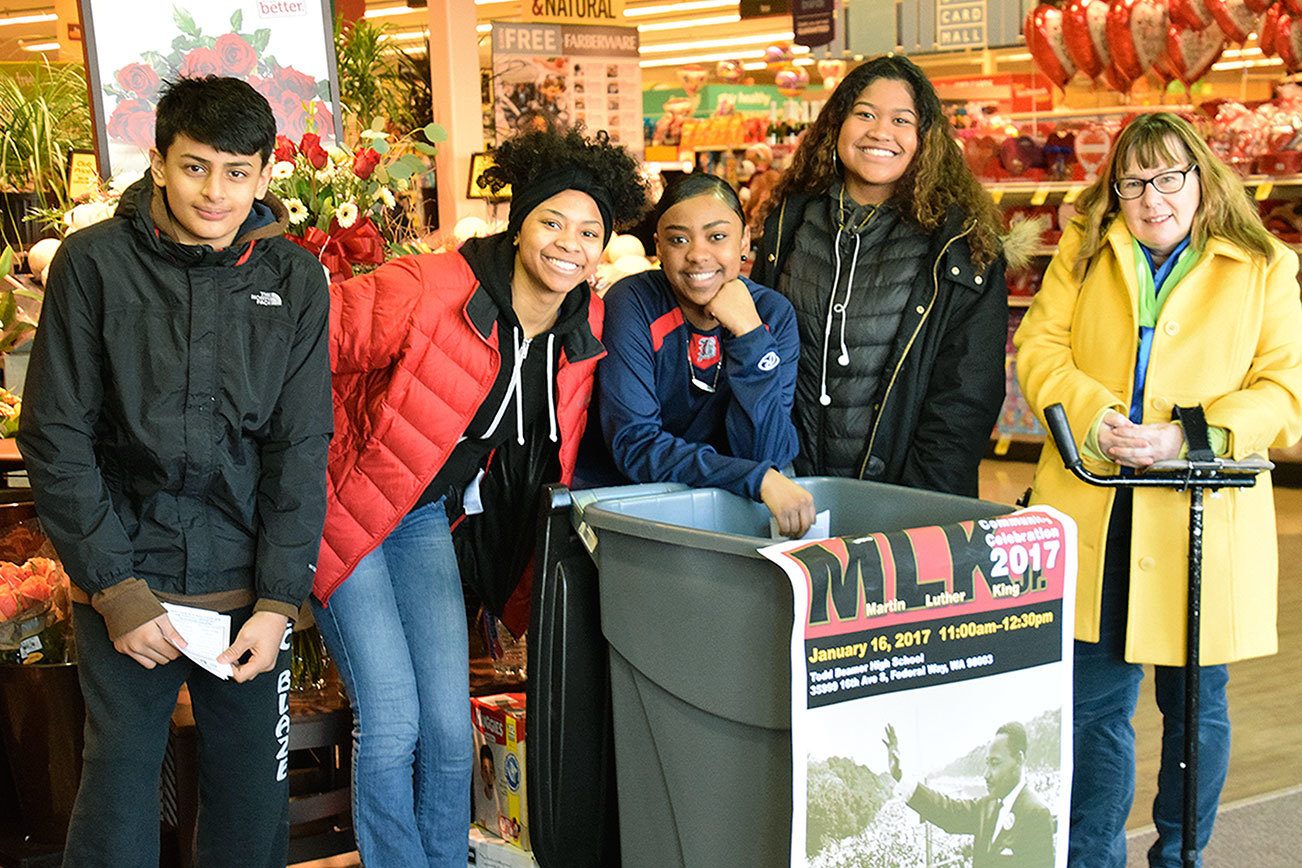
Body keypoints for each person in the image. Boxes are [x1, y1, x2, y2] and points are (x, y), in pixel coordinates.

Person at [17, 76, 331, 867]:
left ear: (264, 175)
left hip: (245, 594)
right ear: (158, 162)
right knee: (119, 791)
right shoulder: (93, 264)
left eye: (236, 172)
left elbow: (300, 446)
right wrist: (117, 591)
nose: (215, 192)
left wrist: (278, 601)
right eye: (195, 167)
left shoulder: (293, 279)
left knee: (251, 801)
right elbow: (56, 434)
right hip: (127, 581)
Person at [311, 126, 646, 868]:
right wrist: (315, 462)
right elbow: (307, 343)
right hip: (342, 508)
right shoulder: (429, 286)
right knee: (392, 720)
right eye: (553, 222)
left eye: (589, 232)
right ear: (519, 222)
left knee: (446, 726)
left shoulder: (584, 325)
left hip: (423, 517)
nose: (569, 244)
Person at [1014, 112, 1302, 867]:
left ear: (1202, 179)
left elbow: (1284, 390)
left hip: (1200, 507)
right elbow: (1039, 347)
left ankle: (1180, 858)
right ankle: (1092, 858)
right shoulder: (1084, 248)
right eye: (1133, 182)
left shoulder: (1263, 264)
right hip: (1096, 502)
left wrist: (1189, 435)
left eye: (1168, 177)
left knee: (1195, 706)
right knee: (1093, 706)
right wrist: (1094, 416)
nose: (1151, 199)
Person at [751, 54, 1026, 497]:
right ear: (837, 124)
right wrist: (768, 473)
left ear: (925, 139)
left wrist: (914, 506)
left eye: (901, 120)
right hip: (791, 491)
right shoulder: (790, 222)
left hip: (903, 500)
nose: (881, 132)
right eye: (865, 114)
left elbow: (966, 397)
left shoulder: (959, 244)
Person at [584, 173, 814, 536]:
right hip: (634, 512)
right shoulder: (632, 303)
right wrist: (754, 478)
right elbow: (635, 444)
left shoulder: (772, 314)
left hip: (728, 511)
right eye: (678, 239)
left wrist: (750, 337)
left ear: (744, 241)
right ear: (658, 248)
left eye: (717, 236)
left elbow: (766, 452)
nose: (697, 255)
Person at [885, 722, 1056, 867]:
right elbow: (947, 811)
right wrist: (900, 776)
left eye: (995, 763)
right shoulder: (987, 806)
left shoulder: (1036, 814)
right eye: (987, 764)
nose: (986, 774)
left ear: (1019, 759)